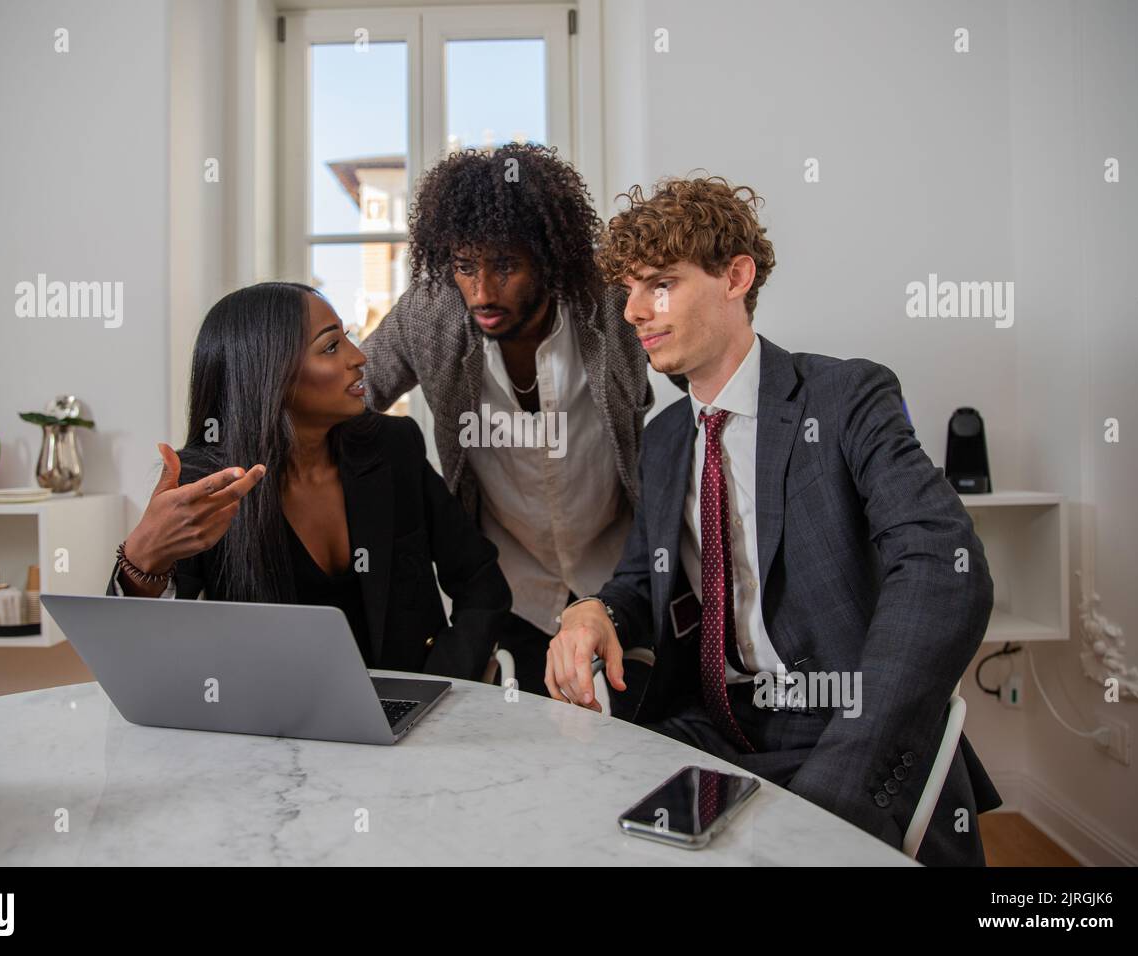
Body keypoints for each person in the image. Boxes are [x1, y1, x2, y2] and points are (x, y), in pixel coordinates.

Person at [547, 177, 1001, 864]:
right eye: (629, 290)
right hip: (717, 729)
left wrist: (839, 784)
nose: (635, 310)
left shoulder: (848, 397)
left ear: (736, 276)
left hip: (840, 728)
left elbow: (944, 569)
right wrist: (595, 611)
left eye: (660, 283)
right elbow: (646, 579)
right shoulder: (667, 438)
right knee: (571, 828)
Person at [361, 143, 652, 696]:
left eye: (506, 267)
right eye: (466, 267)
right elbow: (353, 391)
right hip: (511, 587)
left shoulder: (611, 306)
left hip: (620, 576)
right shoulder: (430, 314)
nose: (483, 291)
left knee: (632, 742)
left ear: (549, 258)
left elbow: (695, 377)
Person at [109, 282, 512, 680]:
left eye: (347, 338)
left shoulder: (393, 448)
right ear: (272, 375)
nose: (359, 357)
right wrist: (144, 559)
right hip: (276, 729)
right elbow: (133, 661)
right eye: (331, 346)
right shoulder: (208, 483)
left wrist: (443, 680)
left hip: (411, 720)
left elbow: (481, 581)